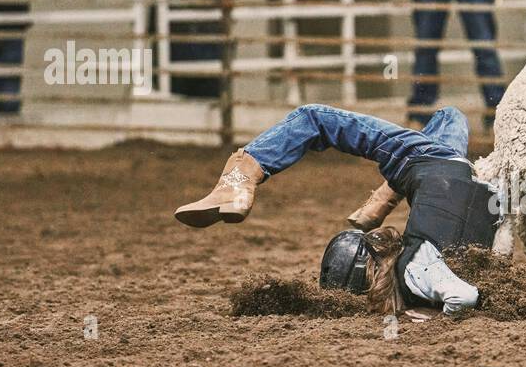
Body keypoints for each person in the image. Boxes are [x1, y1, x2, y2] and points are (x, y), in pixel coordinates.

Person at [173, 105, 495, 317]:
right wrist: (442, 316)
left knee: (450, 116)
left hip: (464, 180)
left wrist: (427, 311)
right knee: (315, 118)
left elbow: (460, 290)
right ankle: (240, 178)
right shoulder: (417, 269)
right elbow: (463, 297)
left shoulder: (423, 279)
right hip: (429, 163)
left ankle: (387, 193)